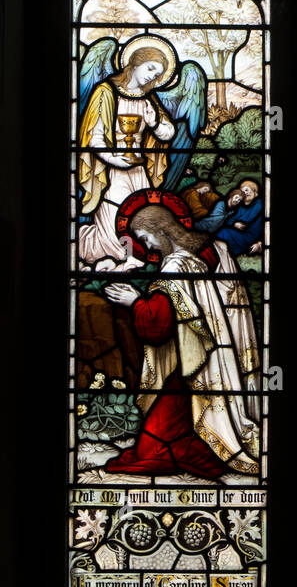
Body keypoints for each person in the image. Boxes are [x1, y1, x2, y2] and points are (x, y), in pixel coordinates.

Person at [103, 203, 260, 478]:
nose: (148, 247)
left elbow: (159, 326)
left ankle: (202, 450)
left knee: (154, 450)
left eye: (145, 238)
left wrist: (135, 301)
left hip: (185, 371)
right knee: (155, 440)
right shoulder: (192, 262)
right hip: (187, 364)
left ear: (161, 230)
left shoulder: (177, 266)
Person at [78, 45, 175, 266]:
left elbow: (168, 133)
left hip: (138, 168)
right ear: (135, 61)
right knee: (117, 214)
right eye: (150, 68)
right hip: (113, 170)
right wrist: (113, 159)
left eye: (157, 74)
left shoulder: (148, 98)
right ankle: (116, 258)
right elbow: (95, 137)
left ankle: (136, 258)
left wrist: (155, 122)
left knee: (143, 217)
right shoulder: (106, 92)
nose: (152, 76)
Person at [194, 179, 263, 255]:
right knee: (222, 235)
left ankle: (211, 253)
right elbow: (230, 220)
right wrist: (234, 224)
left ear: (254, 191)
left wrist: (260, 243)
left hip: (251, 237)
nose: (245, 193)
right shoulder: (240, 207)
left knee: (223, 234)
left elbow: (258, 222)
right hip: (239, 236)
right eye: (243, 192)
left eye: (247, 190)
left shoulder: (260, 204)